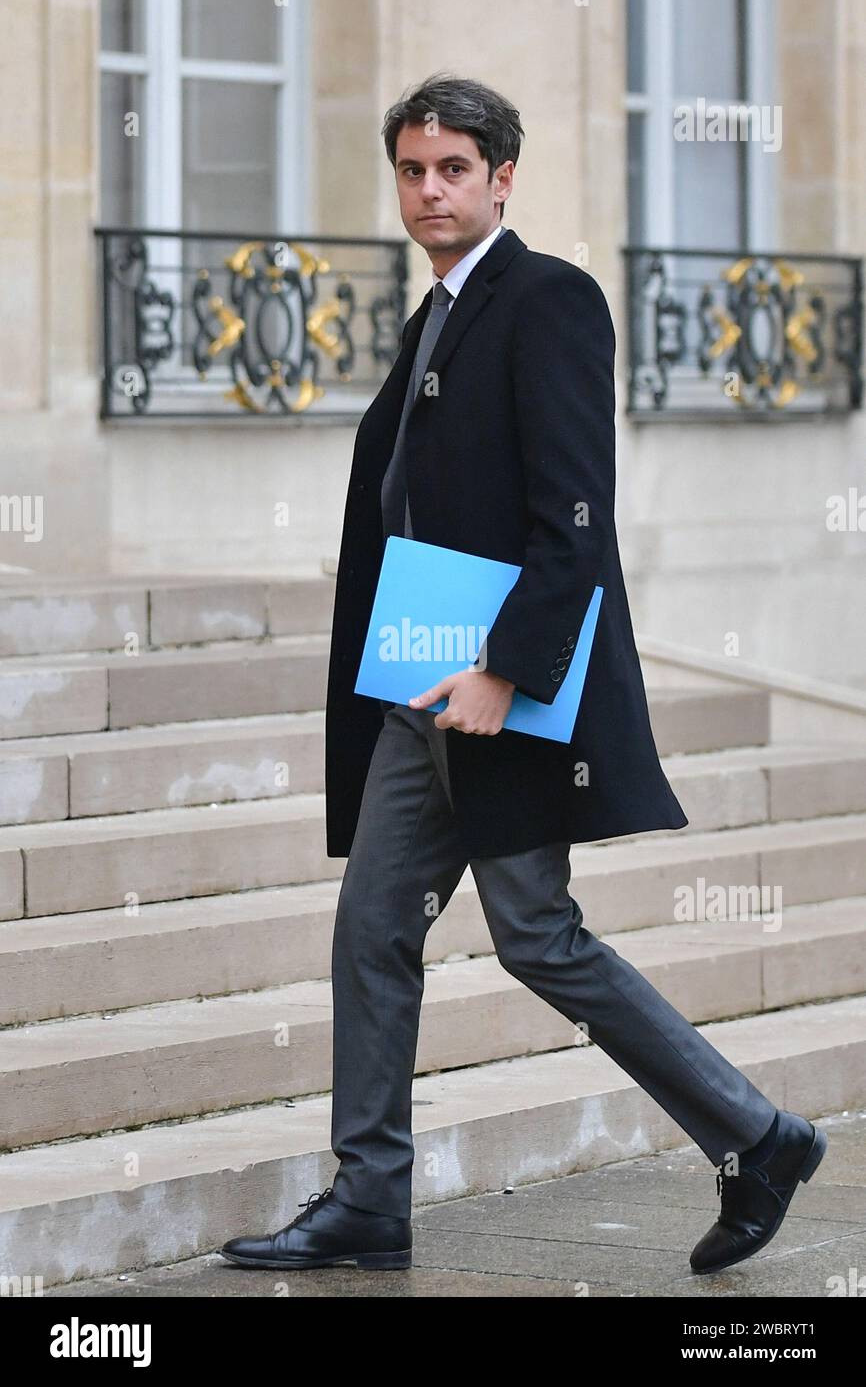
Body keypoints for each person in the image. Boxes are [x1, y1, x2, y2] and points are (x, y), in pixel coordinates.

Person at [221, 72, 826, 1278]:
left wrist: (506, 670)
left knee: (536, 937)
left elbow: (576, 514)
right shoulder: (435, 313)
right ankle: (369, 1198)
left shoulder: (547, 298)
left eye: (452, 168)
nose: (428, 189)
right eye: (410, 169)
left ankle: (756, 1136)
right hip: (418, 684)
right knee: (372, 927)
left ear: (502, 176)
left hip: (495, 683)